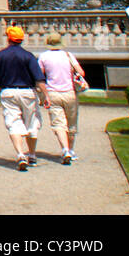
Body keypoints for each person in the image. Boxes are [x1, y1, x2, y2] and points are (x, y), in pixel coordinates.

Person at [0, 25, 51, 171]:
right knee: (32, 122)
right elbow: (39, 78)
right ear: (21, 39)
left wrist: (1, 91)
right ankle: (32, 155)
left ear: (9, 38)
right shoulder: (28, 56)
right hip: (27, 91)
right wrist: (46, 95)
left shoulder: (0, 55)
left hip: (8, 91)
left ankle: (20, 154)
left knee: (13, 122)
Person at [38, 32, 87, 164]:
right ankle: (71, 150)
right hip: (70, 92)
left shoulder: (43, 56)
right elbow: (81, 72)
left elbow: (39, 76)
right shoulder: (68, 55)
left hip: (53, 93)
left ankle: (65, 149)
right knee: (71, 124)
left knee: (58, 123)